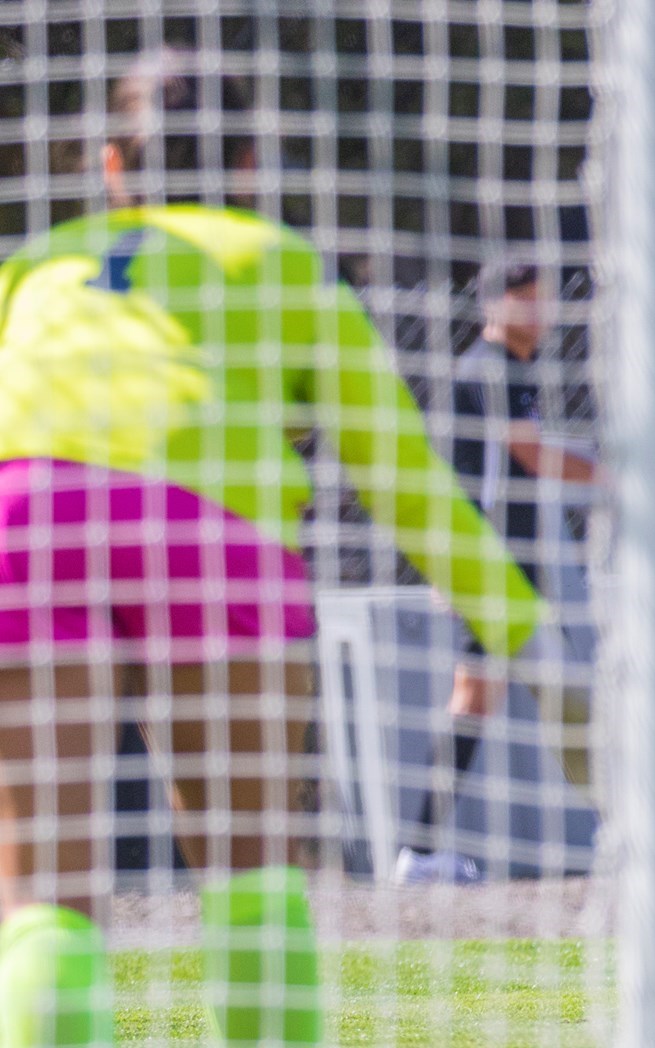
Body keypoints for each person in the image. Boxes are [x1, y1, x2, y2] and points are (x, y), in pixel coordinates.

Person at [0, 49, 538, 1044]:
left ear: (113, 166)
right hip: (209, 540)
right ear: (249, 165)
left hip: (30, 529)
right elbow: (397, 471)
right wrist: (512, 613)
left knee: (42, 896)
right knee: (250, 880)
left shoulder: (37, 265)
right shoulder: (279, 261)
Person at [393, 259, 598, 886]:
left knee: (479, 704)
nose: (543, 316)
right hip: (494, 571)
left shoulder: (510, 371)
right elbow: (530, 453)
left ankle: (419, 852)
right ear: (498, 305)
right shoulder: (493, 368)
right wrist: (616, 479)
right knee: (570, 699)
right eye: (531, 302)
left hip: (497, 568)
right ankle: (627, 832)